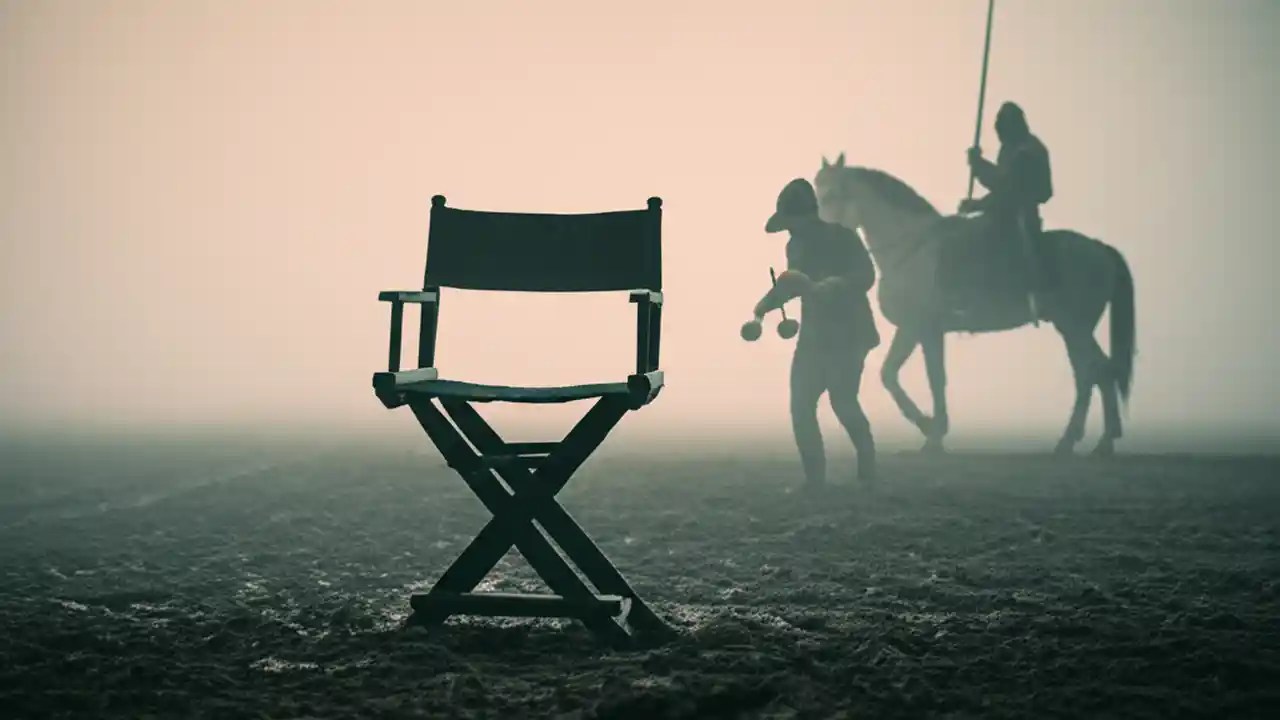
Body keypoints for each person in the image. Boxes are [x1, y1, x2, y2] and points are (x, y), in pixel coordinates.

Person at [753, 177, 880, 489]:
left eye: (792, 223)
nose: (790, 230)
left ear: (808, 216)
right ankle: (815, 481)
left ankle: (867, 470)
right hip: (814, 336)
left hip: (850, 334)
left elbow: (865, 276)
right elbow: (792, 283)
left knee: (843, 401)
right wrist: (763, 308)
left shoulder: (845, 238)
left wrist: (834, 285)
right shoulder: (794, 245)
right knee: (801, 405)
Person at [959, 101, 1054, 316]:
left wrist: (978, 166)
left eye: (1004, 128)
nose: (1001, 134)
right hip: (1004, 211)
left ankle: (1016, 294)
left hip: (1019, 215)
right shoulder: (1010, 149)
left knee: (981, 243)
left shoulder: (1028, 151)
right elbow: (1000, 184)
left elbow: (1006, 187)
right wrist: (979, 165)